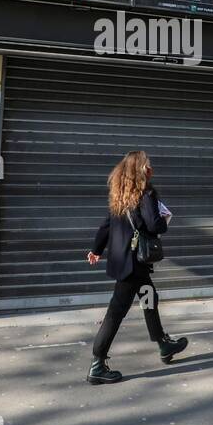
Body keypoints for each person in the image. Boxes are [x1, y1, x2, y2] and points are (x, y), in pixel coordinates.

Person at [86, 151, 188, 384]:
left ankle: (163, 344)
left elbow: (106, 225)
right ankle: (97, 364)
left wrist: (96, 250)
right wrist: (164, 218)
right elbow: (154, 225)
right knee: (115, 312)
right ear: (141, 169)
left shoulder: (119, 193)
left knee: (150, 297)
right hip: (134, 264)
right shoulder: (146, 192)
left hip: (125, 261)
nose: (151, 168)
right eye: (148, 165)